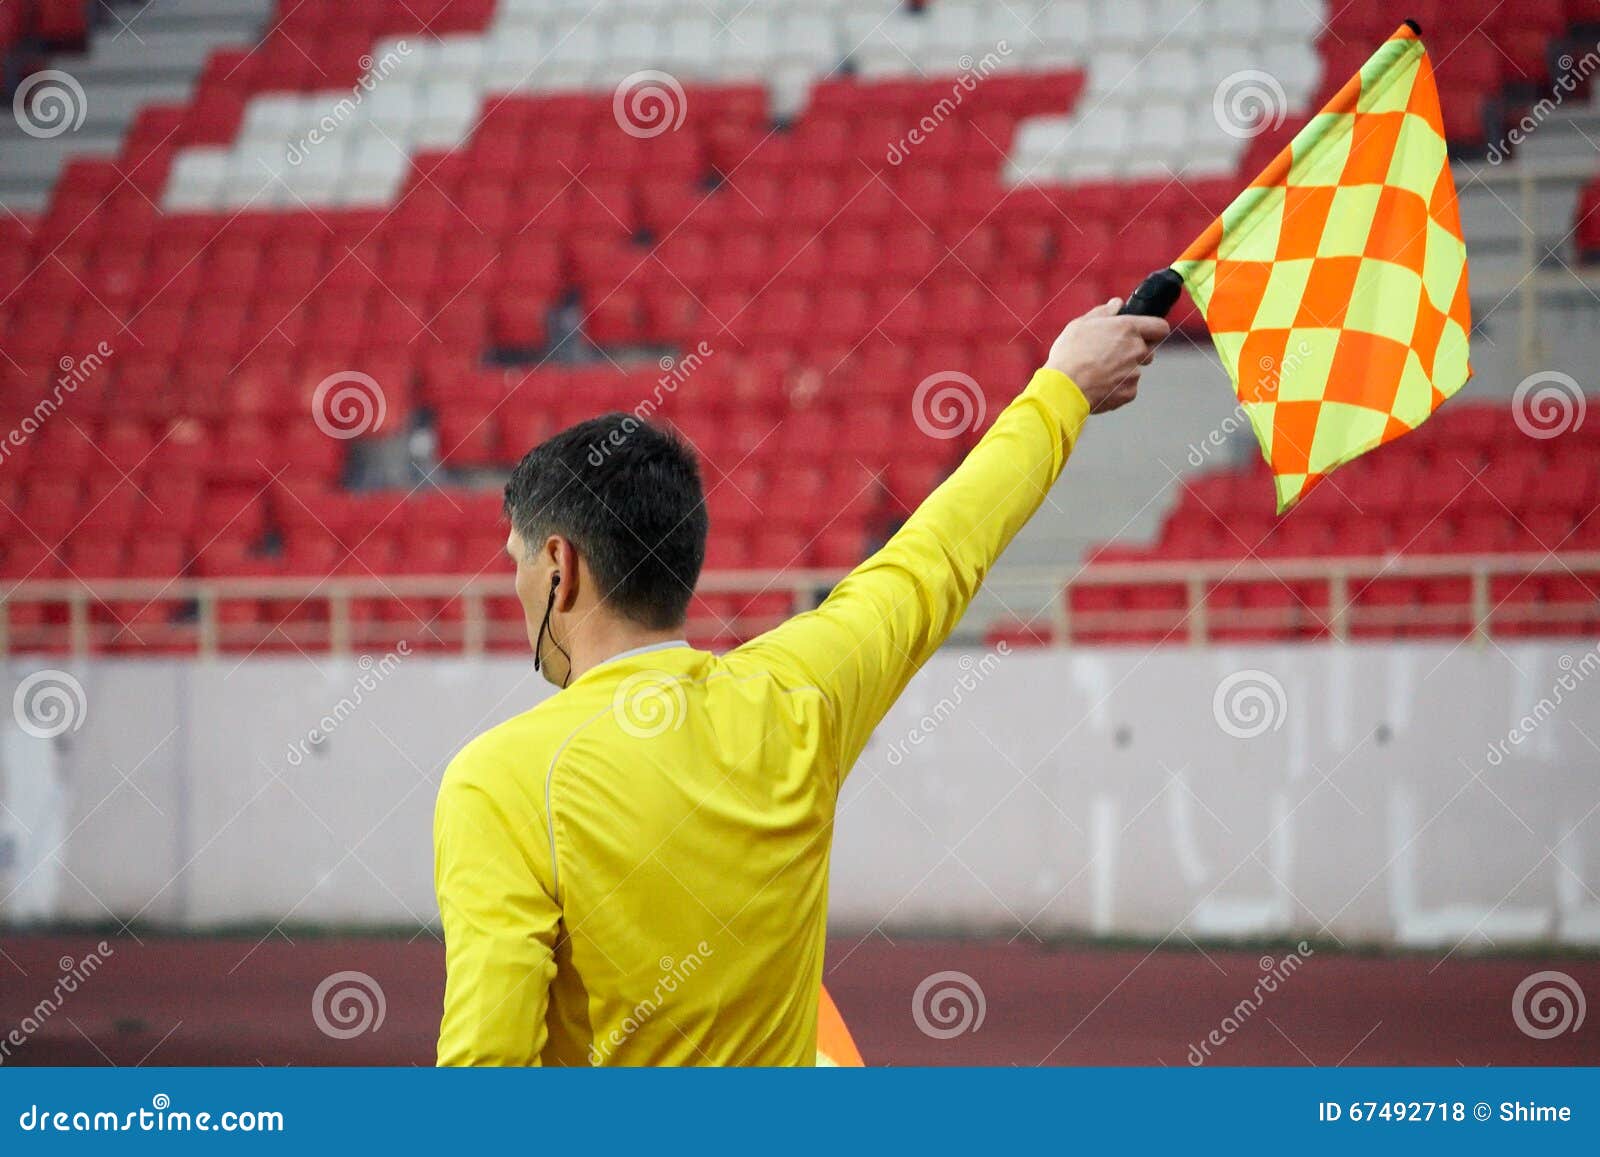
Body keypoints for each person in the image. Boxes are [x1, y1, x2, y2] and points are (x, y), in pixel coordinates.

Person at [433, 299, 1169, 1065]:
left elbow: (486, 1075)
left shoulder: (497, 781)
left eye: (516, 558)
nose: (514, 586)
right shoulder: (796, 695)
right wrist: (1063, 386)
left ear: (559, 565)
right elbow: (943, 550)